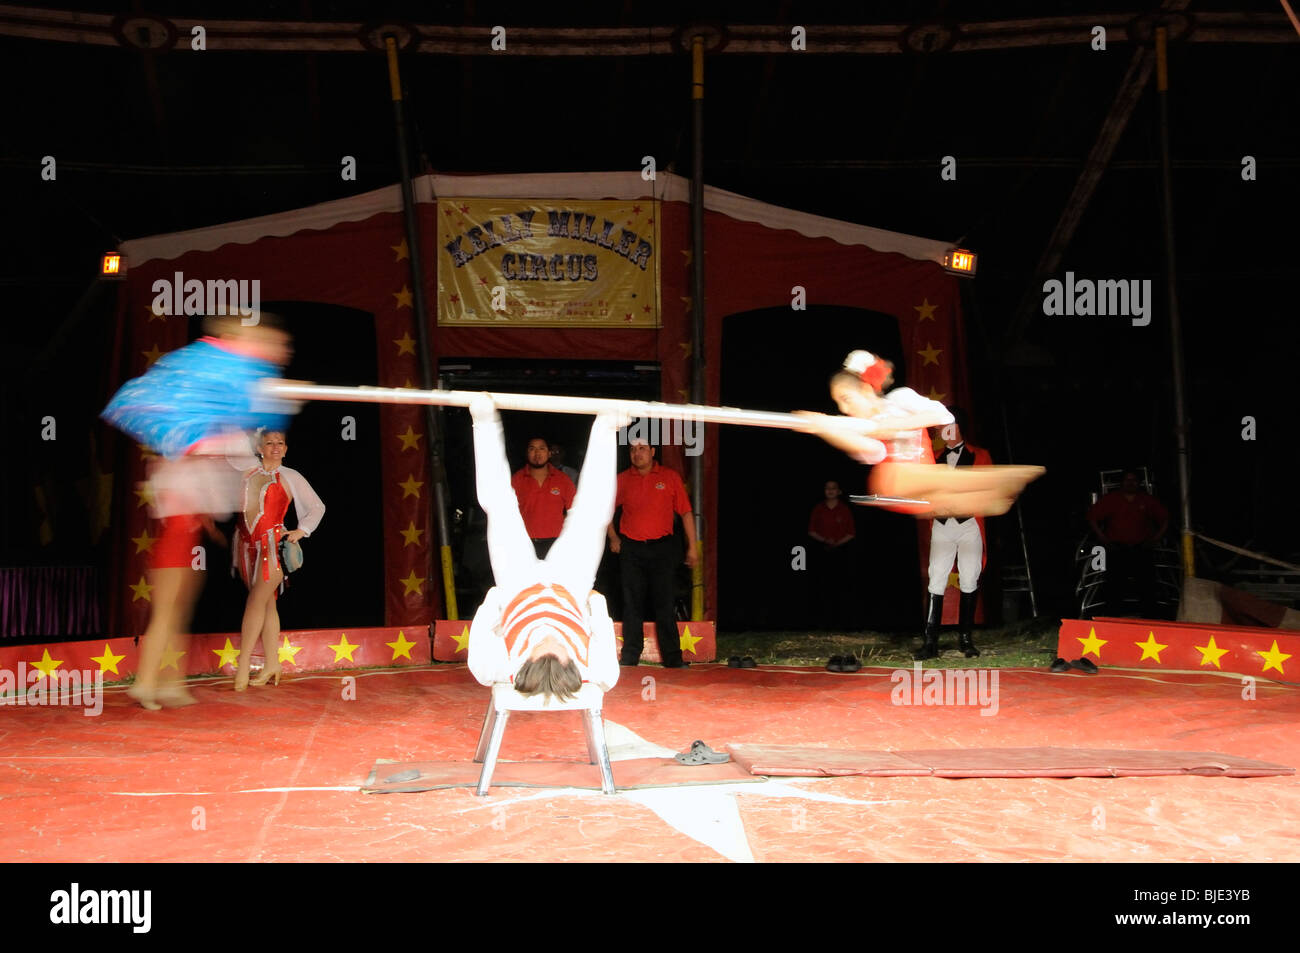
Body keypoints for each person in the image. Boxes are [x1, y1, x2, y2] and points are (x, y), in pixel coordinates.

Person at [101, 312, 298, 709]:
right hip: (174, 542)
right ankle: (144, 683)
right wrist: (273, 400)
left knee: (178, 610)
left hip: (181, 534)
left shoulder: (197, 441)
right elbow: (226, 444)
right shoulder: (188, 447)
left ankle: (170, 684)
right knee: (168, 612)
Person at [467, 397, 621, 699]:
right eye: (559, 647)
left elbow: (481, 636)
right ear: (573, 663)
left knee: (501, 509)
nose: (549, 637)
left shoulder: (496, 666)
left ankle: (483, 421)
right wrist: (597, 605)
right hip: (569, 588)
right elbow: (602, 636)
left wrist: (493, 600)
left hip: (518, 586)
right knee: (593, 518)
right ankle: (606, 425)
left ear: (525, 660)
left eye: (541, 647)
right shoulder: (597, 670)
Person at [795, 350, 1044, 518]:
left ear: (865, 389)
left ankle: (992, 495)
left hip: (923, 484)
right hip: (894, 484)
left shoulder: (899, 400)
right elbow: (870, 451)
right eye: (839, 404)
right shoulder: (863, 425)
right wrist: (825, 428)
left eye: (846, 399)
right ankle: (1001, 478)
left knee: (986, 503)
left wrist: (898, 424)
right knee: (909, 476)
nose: (844, 408)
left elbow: (943, 415)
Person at [232, 428, 325, 691]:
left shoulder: (290, 476)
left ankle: (243, 665)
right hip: (245, 547)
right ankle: (272, 664)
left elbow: (317, 506)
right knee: (268, 606)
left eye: (280, 443)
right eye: (269, 443)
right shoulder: (248, 469)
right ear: (259, 447)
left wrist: (301, 531)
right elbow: (232, 447)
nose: (275, 447)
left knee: (256, 601)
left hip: (271, 549)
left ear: (286, 449)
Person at [606, 438, 698, 667]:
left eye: (642, 449)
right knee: (632, 604)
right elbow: (605, 511)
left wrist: (693, 548)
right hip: (632, 549)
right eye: (633, 450)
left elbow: (686, 513)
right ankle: (630, 657)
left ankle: (673, 659)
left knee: (664, 604)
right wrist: (613, 537)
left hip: (663, 548)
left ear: (653, 452)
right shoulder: (622, 480)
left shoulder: (669, 477)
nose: (637, 454)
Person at [919, 409, 994, 660]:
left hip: (969, 523)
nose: (944, 431)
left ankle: (965, 640)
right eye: (941, 427)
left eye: (948, 426)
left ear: (959, 427)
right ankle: (930, 643)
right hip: (942, 525)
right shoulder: (934, 458)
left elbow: (988, 488)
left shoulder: (980, 455)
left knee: (969, 578)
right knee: (936, 579)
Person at [1087, 469, 1169, 618]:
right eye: (1127, 480)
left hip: (1141, 549)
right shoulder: (1111, 499)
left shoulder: (1146, 500)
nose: (1130, 483)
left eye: (1134, 480)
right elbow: (1092, 517)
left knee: (1147, 588)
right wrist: (1104, 540)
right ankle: (1112, 620)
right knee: (1114, 588)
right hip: (1117, 549)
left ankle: (1151, 621)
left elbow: (1165, 519)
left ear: (1139, 483)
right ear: (1121, 482)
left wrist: (1155, 539)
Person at [511, 436, 576, 559]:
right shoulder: (516, 479)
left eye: (542, 448)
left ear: (549, 453)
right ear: (527, 453)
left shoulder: (563, 479)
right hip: (523, 542)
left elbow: (575, 511)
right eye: (532, 449)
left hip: (556, 543)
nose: (537, 453)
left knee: (554, 578)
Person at [807, 480, 856, 629]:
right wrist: (825, 540)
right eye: (827, 488)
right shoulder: (818, 508)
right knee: (822, 586)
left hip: (841, 552)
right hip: (822, 551)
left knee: (840, 586)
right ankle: (822, 621)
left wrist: (838, 543)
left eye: (833, 488)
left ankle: (841, 622)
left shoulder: (844, 509)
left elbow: (851, 533)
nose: (830, 491)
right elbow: (811, 531)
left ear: (839, 491)